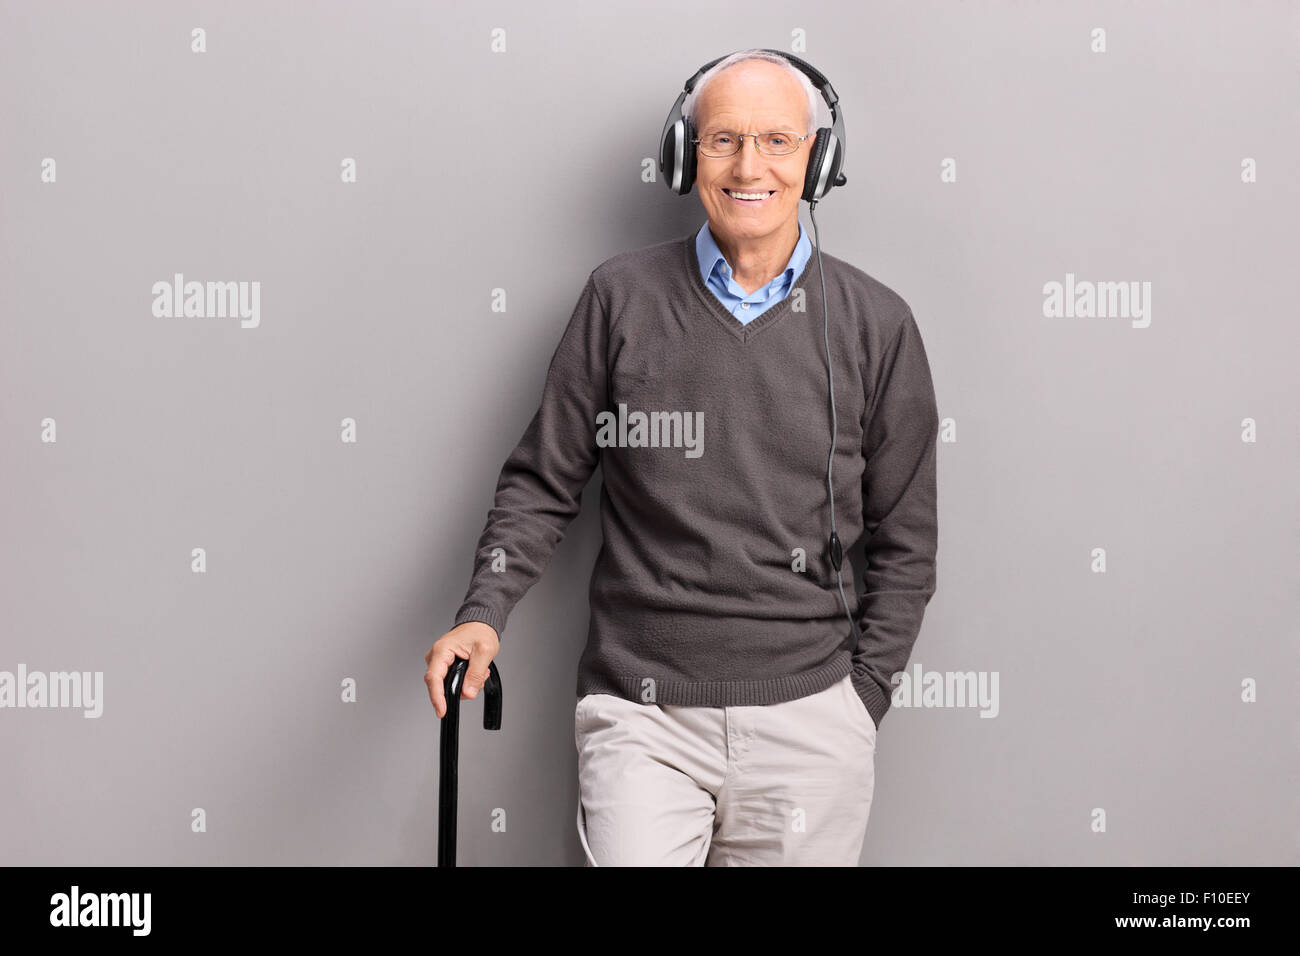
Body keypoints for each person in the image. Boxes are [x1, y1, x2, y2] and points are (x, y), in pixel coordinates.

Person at [425, 48, 939, 865]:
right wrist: (482, 611)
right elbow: (543, 481)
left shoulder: (879, 324)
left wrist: (860, 699)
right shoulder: (618, 298)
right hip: (643, 717)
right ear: (682, 156)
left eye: (777, 140)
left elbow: (907, 544)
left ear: (818, 159)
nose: (749, 165)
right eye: (722, 140)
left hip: (812, 725)